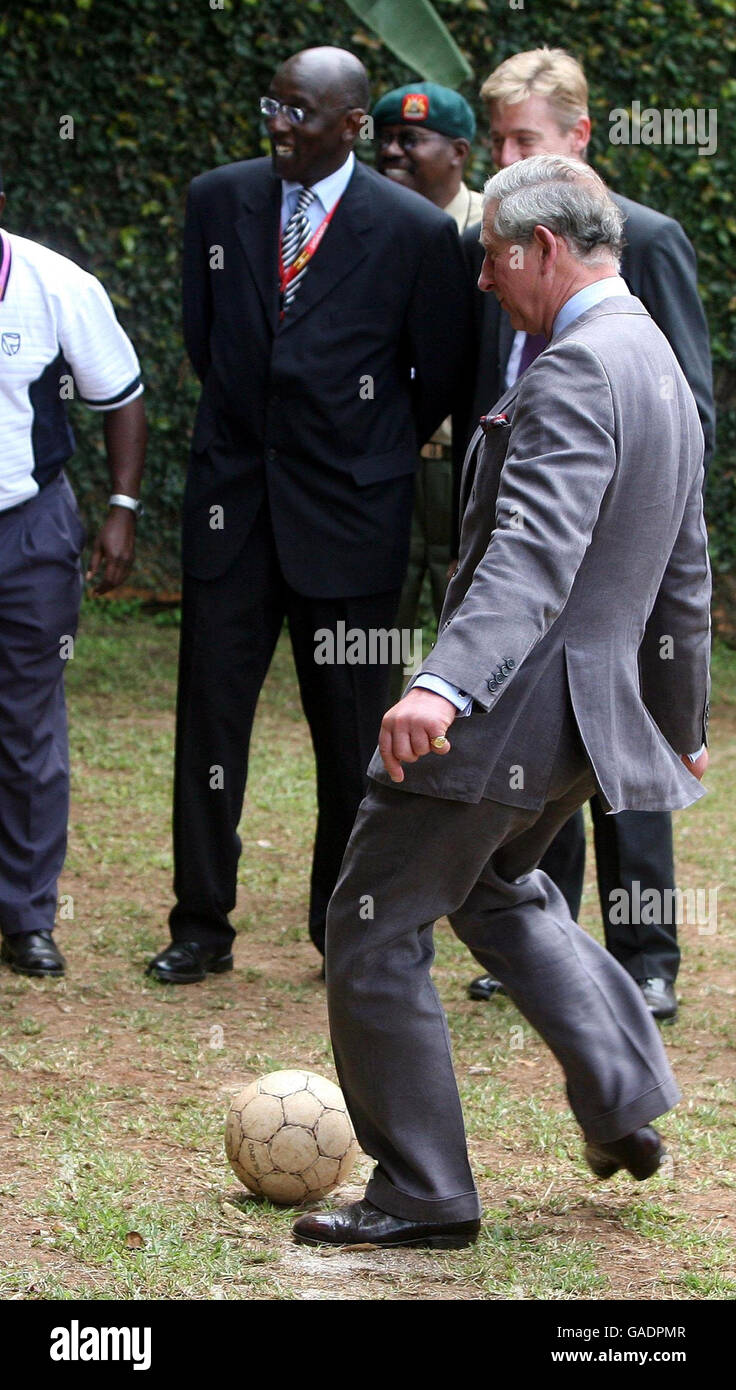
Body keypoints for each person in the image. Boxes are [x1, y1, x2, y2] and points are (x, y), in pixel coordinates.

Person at [292, 154, 710, 1250]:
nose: (482, 279)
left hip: (511, 712)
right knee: (493, 888)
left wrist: (440, 683)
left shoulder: (575, 369)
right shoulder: (654, 359)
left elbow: (532, 550)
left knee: (372, 921)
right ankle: (620, 1093)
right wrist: (678, 718)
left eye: (491, 255)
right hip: (585, 720)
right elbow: (685, 570)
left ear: (544, 250)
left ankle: (421, 1190)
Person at [147, 47, 471, 984]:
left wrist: (363, 451)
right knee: (210, 728)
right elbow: (205, 340)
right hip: (234, 515)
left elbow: (437, 375)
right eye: (273, 106)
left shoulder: (412, 231)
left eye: (300, 112)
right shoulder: (219, 200)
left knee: (352, 739)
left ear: (352, 125)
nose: (279, 126)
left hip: (352, 523)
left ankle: (344, 926)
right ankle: (200, 924)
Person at [461, 48, 715, 1020]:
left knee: (627, 758)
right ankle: (540, 939)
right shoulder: (499, 243)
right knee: (536, 755)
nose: (505, 156)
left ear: (578, 137)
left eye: (524, 139)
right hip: (530, 544)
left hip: (620, 553)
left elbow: (684, 400)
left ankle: (645, 955)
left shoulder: (643, 241)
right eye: (497, 142)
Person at [0, 170, 146, 979]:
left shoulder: (56, 284)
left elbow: (119, 397)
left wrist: (121, 506)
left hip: (26, 529)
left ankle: (26, 914)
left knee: (27, 725)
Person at [371, 82, 483, 704]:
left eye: (411, 139)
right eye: (385, 138)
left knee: (471, 623)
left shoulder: (499, 227)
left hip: (464, 464)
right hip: (388, 466)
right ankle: (379, 778)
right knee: (376, 631)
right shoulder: (367, 225)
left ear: (459, 151)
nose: (392, 151)